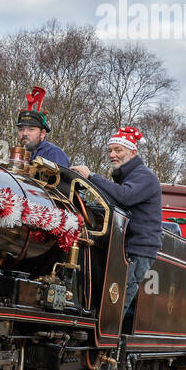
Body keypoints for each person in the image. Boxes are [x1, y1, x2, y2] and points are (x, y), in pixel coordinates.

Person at [70, 126, 162, 322]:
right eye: (110, 150)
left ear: (133, 152)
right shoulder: (127, 176)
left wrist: (91, 177)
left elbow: (125, 197)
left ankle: (108, 341)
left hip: (137, 248)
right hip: (124, 245)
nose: (113, 154)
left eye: (118, 150)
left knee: (116, 302)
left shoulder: (144, 176)